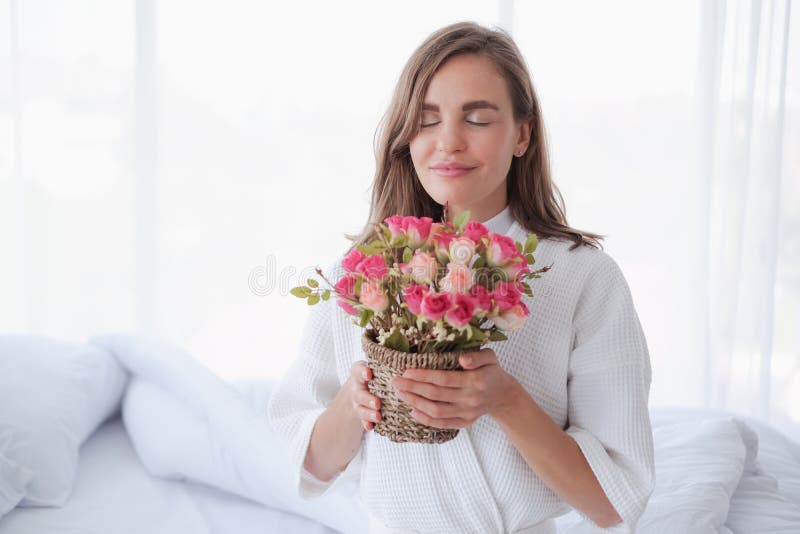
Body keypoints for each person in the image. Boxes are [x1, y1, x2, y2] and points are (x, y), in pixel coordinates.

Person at [267, 21, 655, 534]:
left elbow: (613, 502)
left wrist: (505, 400)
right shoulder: (359, 275)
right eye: (427, 121)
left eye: (476, 118)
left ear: (522, 134)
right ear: (406, 138)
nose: (448, 142)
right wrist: (353, 402)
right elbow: (300, 467)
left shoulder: (584, 278)